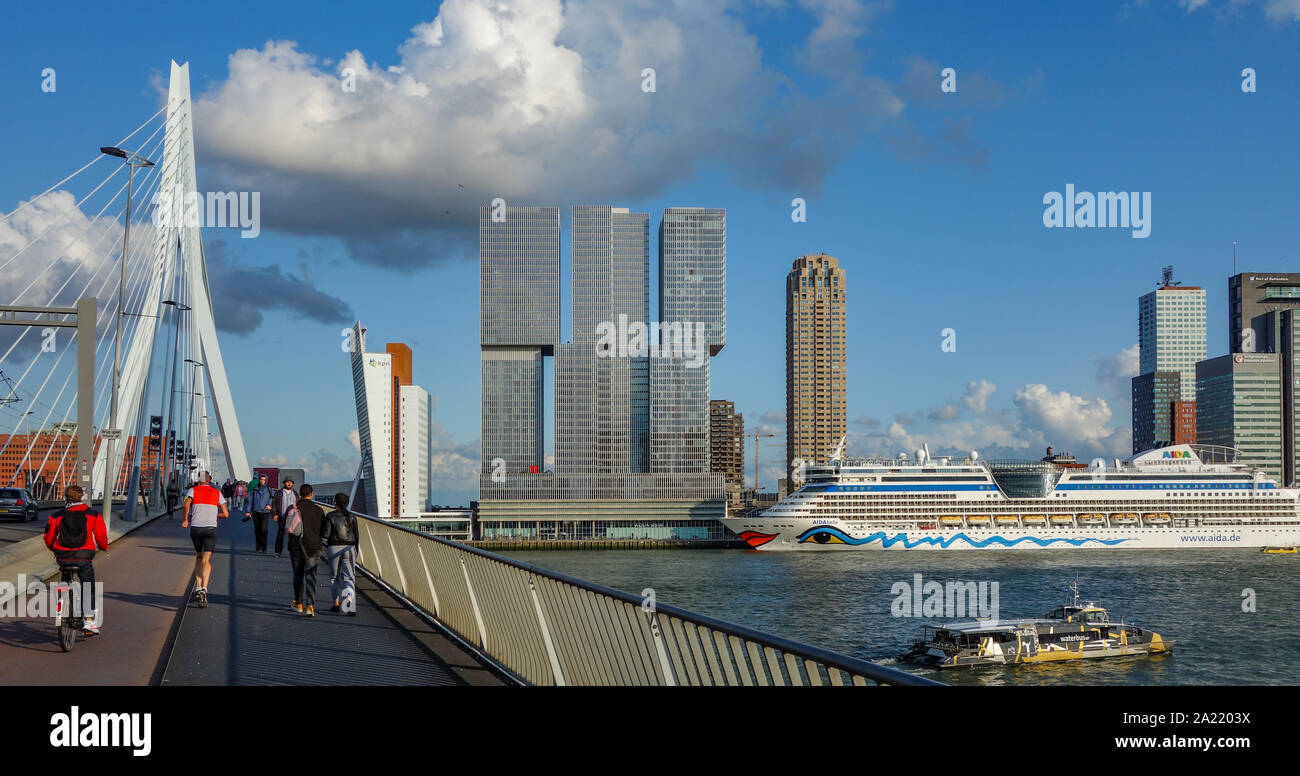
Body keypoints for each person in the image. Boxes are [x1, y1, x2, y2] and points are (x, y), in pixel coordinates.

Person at [44, 485, 109, 636]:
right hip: (83, 557)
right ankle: (89, 620)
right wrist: (103, 547)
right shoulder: (92, 515)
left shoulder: (56, 516)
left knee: (65, 575)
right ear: (81, 497)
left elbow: (48, 538)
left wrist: (55, 549)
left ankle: (63, 595)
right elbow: (100, 535)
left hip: (63, 556)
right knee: (88, 585)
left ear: (66, 497)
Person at [181, 471, 229, 608]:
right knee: (206, 561)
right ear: (210, 480)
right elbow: (226, 514)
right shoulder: (216, 493)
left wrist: (185, 520)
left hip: (196, 527)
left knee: (198, 557)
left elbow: (186, 505)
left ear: (198, 480)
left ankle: (197, 587)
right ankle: (204, 589)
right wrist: (215, 515)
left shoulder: (192, 490)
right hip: (210, 529)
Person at [288, 484, 326, 616]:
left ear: (299, 494)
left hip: (296, 546)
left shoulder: (293, 508)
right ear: (311, 494)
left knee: (297, 574)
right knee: (311, 575)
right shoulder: (319, 510)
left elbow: (287, 527)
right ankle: (310, 605)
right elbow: (323, 531)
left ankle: (298, 603)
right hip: (313, 547)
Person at [321, 493, 359, 615]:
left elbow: (325, 535)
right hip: (349, 547)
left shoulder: (330, 516)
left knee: (334, 578)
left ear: (335, 502)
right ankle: (349, 602)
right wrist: (355, 550)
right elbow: (356, 536)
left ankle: (336, 604)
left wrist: (326, 546)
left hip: (333, 547)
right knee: (349, 577)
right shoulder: (352, 516)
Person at [244, 473, 274, 553]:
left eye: (264, 480)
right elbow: (250, 501)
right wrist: (247, 511)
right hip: (256, 512)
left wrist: (271, 506)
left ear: (266, 480)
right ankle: (258, 546)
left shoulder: (269, 489)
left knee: (264, 530)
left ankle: (264, 548)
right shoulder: (254, 489)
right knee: (257, 530)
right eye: (261, 479)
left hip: (265, 512)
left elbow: (275, 499)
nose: (262, 481)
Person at [272, 477, 298, 558]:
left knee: (293, 535)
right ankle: (277, 551)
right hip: (282, 516)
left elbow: (298, 504)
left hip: (293, 517)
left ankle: (293, 552)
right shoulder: (279, 493)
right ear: (284, 483)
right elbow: (274, 503)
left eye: (291, 482)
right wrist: (275, 513)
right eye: (287, 482)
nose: (289, 483)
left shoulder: (295, 494)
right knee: (280, 535)